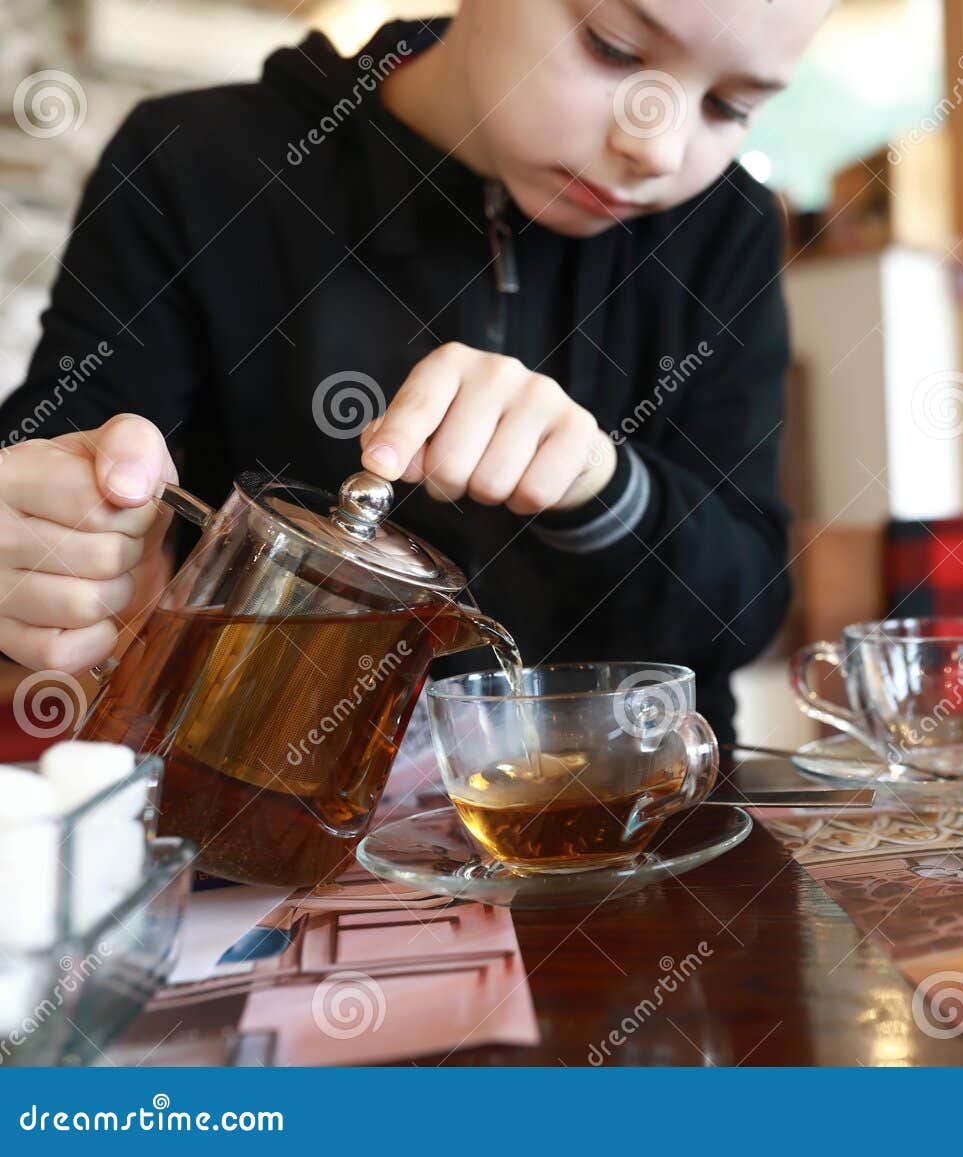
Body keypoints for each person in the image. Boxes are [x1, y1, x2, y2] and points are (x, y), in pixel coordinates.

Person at [0, 0, 835, 742]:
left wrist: (605, 489)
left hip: (636, 838)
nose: (656, 146)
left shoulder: (727, 229)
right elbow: (45, 492)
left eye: (732, 106)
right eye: (614, 48)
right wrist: (57, 544)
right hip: (259, 827)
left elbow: (745, 607)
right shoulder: (197, 166)